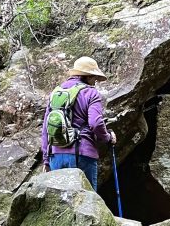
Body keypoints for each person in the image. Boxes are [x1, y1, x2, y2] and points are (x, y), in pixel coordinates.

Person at [41, 55, 116, 191]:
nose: (95, 82)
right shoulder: (90, 93)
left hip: (56, 156)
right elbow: (96, 123)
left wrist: (46, 160)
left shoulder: (56, 93)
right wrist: (108, 138)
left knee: (59, 200)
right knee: (87, 200)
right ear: (88, 76)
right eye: (94, 78)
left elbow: (46, 128)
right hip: (82, 154)